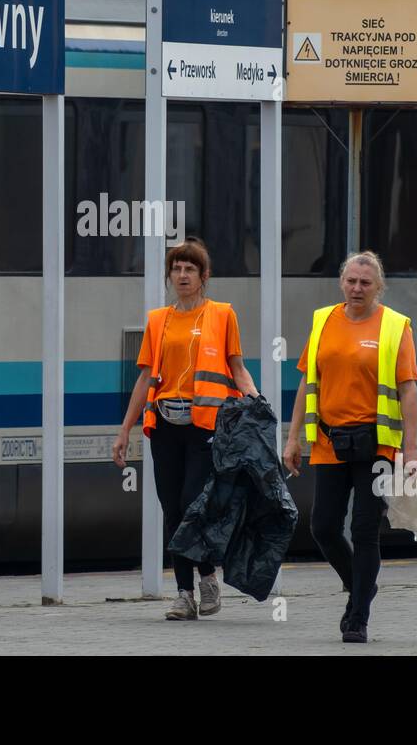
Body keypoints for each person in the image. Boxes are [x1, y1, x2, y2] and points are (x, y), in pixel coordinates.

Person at [113, 237, 259, 621]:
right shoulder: (158, 320)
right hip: (163, 425)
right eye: (176, 269)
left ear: (203, 276)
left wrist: (256, 406)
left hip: (204, 426)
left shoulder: (222, 315)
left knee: (193, 503)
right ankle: (183, 593)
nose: (181, 275)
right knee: (171, 508)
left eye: (189, 269)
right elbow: (145, 378)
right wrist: (124, 429)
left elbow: (237, 367)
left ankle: (208, 573)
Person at [282, 251, 417, 643]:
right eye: (351, 280)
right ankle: (361, 583)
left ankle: (358, 615)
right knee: (323, 526)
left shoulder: (396, 327)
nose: (357, 288)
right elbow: (307, 382)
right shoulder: (323, 321)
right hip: (329, 441)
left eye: (365, 282)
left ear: (379, 287)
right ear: (341, 282)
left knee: (364, 529)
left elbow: (408, 390)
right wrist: (292, 438)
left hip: (376, 445)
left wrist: (410, 450)